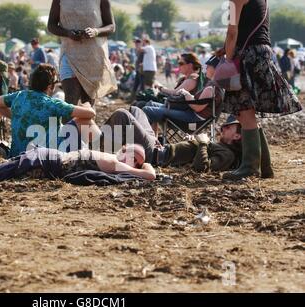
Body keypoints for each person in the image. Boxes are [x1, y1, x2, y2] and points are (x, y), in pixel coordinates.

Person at [219, 0, 301, 180]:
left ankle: (250, 167)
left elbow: (232, 31)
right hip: (261, 53)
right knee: (249, 111)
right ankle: (265, 167)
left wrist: (228, 59)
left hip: (248, 56)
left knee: (244, 110)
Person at [0, 63, 98, 157]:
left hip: (17, 155)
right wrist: (87, 105)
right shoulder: (52, 104)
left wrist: (15, 116)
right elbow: (91, 114)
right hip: (45, 156)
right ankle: (98, 150)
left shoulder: (19, 96)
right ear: (50, 86)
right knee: (86, 122)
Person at [103, 107, 244, 172]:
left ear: (237, 136)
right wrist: (192, 142)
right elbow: (187, 153)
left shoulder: (228, 154)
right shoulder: (220, 146)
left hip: (156, 156)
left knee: (122, 115)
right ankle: (111, 151)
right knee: (136, 110)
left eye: (228, 127)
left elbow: (202, 168)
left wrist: (202, 143)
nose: (223, 128)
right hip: (161, 147)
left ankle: (99, 154)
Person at [0, 145, 156, 182]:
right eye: (136, 159)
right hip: (45, 161)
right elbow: (150, 176)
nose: (135, 164)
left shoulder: (108, 156)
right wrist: (146, 166)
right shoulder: (115, 163)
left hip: (45, 155)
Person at [48, 0, 117, 107]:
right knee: (70, 101)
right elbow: (51, 25)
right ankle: (68, 124)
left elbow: (111, 26)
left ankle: (86, 123)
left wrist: (96, 31)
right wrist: (67, 33)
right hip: (69, 55)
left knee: (87, 103)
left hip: (94, 57)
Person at [138, 55, 222, 137]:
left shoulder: (211, 88)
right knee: (150, 104)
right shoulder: (215, 85)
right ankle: (151, 138)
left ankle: (139, 139)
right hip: (192, 114)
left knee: (146, 109)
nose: (206, 67)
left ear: (216, 69)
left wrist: (186, 94)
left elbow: (197, 107)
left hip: (194, 119)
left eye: (209, 66)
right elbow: (198, 104)